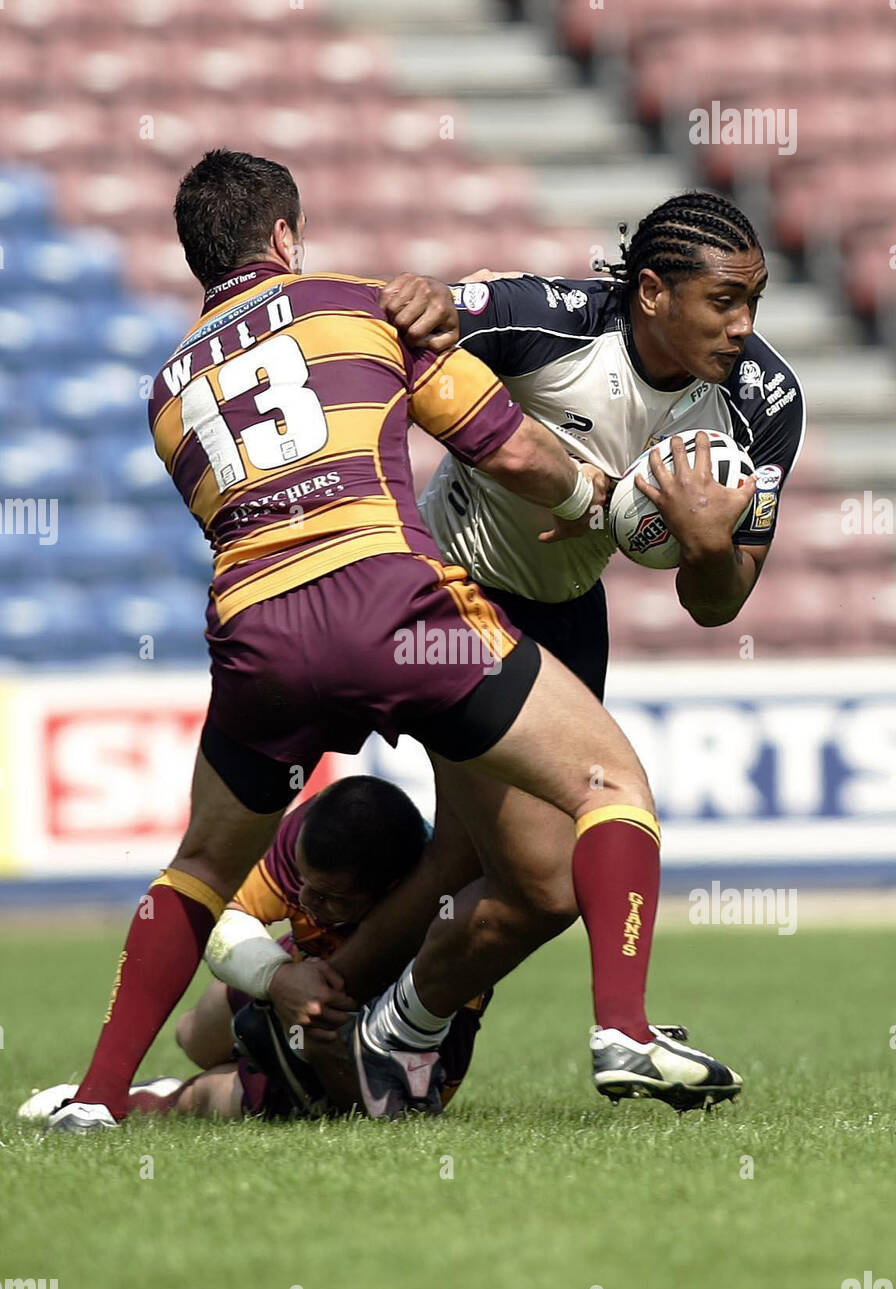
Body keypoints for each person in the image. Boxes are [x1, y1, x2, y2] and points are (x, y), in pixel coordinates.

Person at [50, 149, 729, 1132]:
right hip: (395, 611)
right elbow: (503, 442)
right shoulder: (354, 303)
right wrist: (600, 504)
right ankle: (620, 1026)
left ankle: (98, 1100)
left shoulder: (164, 391)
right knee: (607, 786)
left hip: (257, 635)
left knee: (198, 870)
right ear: (284, 236)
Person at [258, 192, 801, 1117]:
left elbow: (718, 606)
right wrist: (428, 302)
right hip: (451, 598)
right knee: (549, 878)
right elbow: (408, 327)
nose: (744, 326)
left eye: (755, 300)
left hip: (565, 610)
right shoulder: (547, 321)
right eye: (724, 302)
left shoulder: (763, 399)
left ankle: (332, 1020)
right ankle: (426, 1031)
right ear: (655, 293)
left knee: (478, 872)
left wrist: (710, 544)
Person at [23, 777, 489, 1123]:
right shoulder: (307, 838)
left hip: (376, 1034)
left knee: (216, 1101)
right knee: (195, 1034)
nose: (304, 901)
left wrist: (336, 1045)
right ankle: (217, 1059)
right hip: (304, 973)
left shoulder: (446, 910)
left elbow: (442, 1033)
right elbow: (222, 916)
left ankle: (160, 1100)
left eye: (328, 898)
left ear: (390, 891)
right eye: (302, 883)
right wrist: (278, 978)